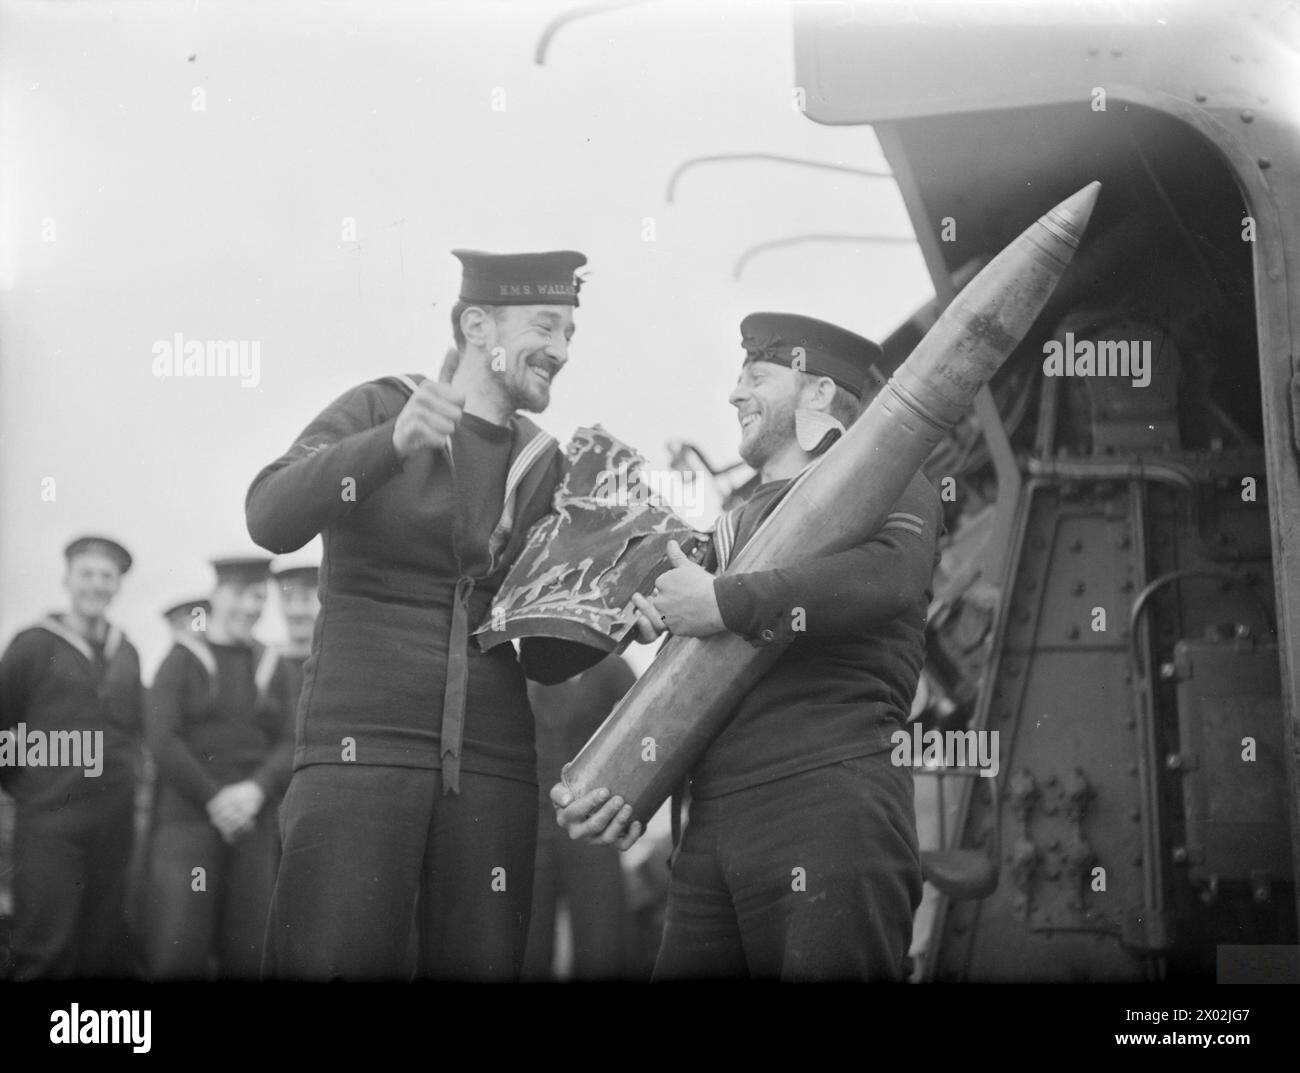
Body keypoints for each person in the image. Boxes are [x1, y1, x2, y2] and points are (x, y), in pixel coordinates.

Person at [553, 312, 940, 981]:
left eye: (757, 375)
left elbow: (892, 577)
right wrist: (630, 792)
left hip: (829, 812)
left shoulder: (890, 478)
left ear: (817, 393)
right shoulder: (728, 529)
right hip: (708, 837)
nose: (734, 394)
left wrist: (721, 602)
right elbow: (694, 685)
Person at [248, 248, 589, 980]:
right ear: (476, 323)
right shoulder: (383, 404)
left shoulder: (548, 465)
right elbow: (269, 515)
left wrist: (615, 607)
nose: (561, 350)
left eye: (569, 333)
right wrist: (388, 444)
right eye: (545, 326)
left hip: (494, 774)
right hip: (358, 756)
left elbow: (547, 658)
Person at [144, 556, 295, 979]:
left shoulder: (272, 664)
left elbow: (289, 739)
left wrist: (255, 791)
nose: (250, 607)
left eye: (259, 597)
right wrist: (214, 799)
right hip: (189, 821)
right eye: (241, 595)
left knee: (248, 950)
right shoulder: (182, 659)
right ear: (216, 596)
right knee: (179, 948)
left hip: (253, 818)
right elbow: (162, 739)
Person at [0, 535, 143, 979]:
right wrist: (34, 792)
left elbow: (134, 728)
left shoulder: (128, 651)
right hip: (49, 822)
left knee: (101, 946)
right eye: (88, 574)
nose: (97, 585)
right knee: (45, 946)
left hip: (112, 821)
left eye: (107, 576)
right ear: (68, 578)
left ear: (117, 585)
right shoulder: (32, 644)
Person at [523, 653, 636, 980]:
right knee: (531, 947)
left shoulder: (611, 669)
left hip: (591, 826)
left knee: (601, 947)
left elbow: (644, 730)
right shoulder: (528, 673)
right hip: (537, 829)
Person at [269, 562, 319, 710]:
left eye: (305, 599)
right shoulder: (266, 665)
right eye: (288, 598)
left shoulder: (339, 664)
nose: (296, 610)